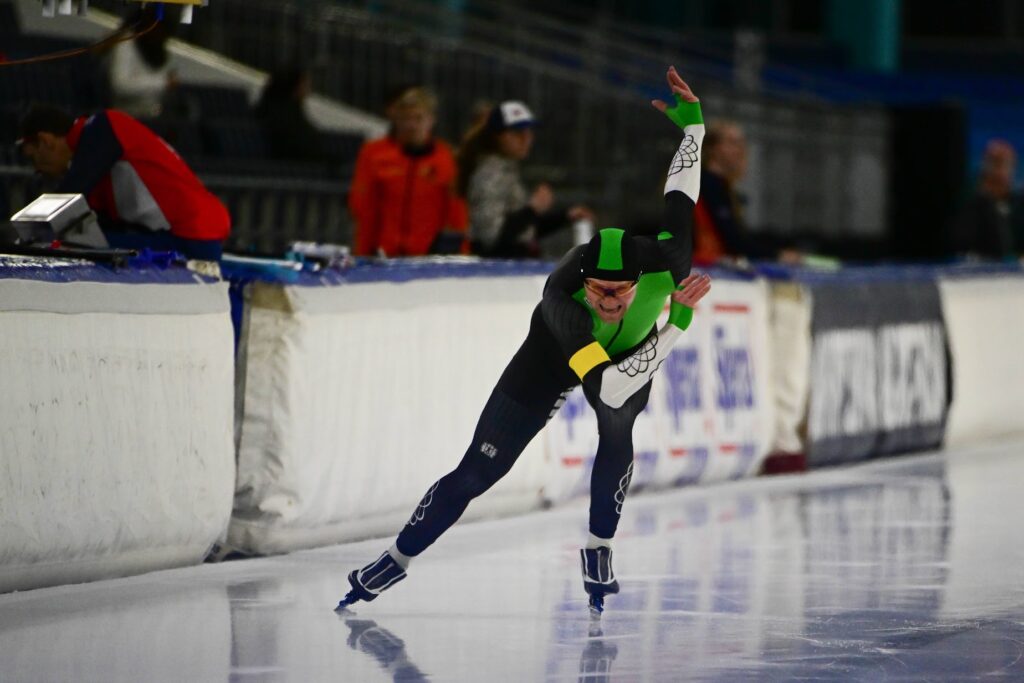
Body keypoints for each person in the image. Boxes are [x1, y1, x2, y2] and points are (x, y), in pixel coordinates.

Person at [337, 66, 713, 615]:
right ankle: (396, 558)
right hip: (554, 357)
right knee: (479, 470)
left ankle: (599, 548)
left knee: (617, 430)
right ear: (584, 282)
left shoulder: (666, 260)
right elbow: (607, 386)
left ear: (641, 280)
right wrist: (676, 324)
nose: (610, 301)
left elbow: (681, 192)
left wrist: (694, 128)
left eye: (621, 292)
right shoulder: (563, 298)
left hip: (629, 352)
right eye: (599, 291)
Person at [17, 104, 231, 260]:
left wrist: (27, 236)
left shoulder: (104, 126)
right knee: (77, 243)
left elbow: (69, 194)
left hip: (190, 237)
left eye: (34, 158)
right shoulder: (98, 162)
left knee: (67, 246)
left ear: (45, 141)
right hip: (192, 235)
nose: (37, 169)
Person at [458, 100, 593, 258]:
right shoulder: (491, 174)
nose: (526, 139)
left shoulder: (506, 170)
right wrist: (532, 209)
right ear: (499, 137)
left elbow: (524, 232)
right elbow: (492, 240)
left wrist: (565, 216)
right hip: (496, 269)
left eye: (529, 132)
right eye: (518, 133)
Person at [348, 86, 467, 257]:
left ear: (431, 120)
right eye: (405, 118)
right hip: (384, 254)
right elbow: (363, 208)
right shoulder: (374, 154)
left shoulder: (447, 159)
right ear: (395, 120)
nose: (411, 125)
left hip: (428, 256)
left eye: (418, 118)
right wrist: (362, 253)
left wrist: (460, 255)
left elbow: (457, 214)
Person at [694, 120, 801, 265]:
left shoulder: (721, 186)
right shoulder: (707, 184)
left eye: (741, 143)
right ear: (713, 148)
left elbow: (737, 236)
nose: (740, 150)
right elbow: (732, 241)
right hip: (706, 266)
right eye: (732, 143)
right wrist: (776, 255)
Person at [952, 139, 1023, 260]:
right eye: (994, 162)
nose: (999, 169)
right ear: (984, 164)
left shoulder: (1018, 202)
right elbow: (959, 242)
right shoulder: (969, 201)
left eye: (1005, 163)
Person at [105, 6, 179, 120]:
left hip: (153, 117)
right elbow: (120, 86)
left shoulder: (162, 53)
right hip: (124, 117)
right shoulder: (126, 44)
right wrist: (162, 83)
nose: (157, 33)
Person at [254, 66, 326, 164]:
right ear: (296, 87)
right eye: (305, 85)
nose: (308, 91)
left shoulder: (271, 108)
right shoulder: (285, 116)